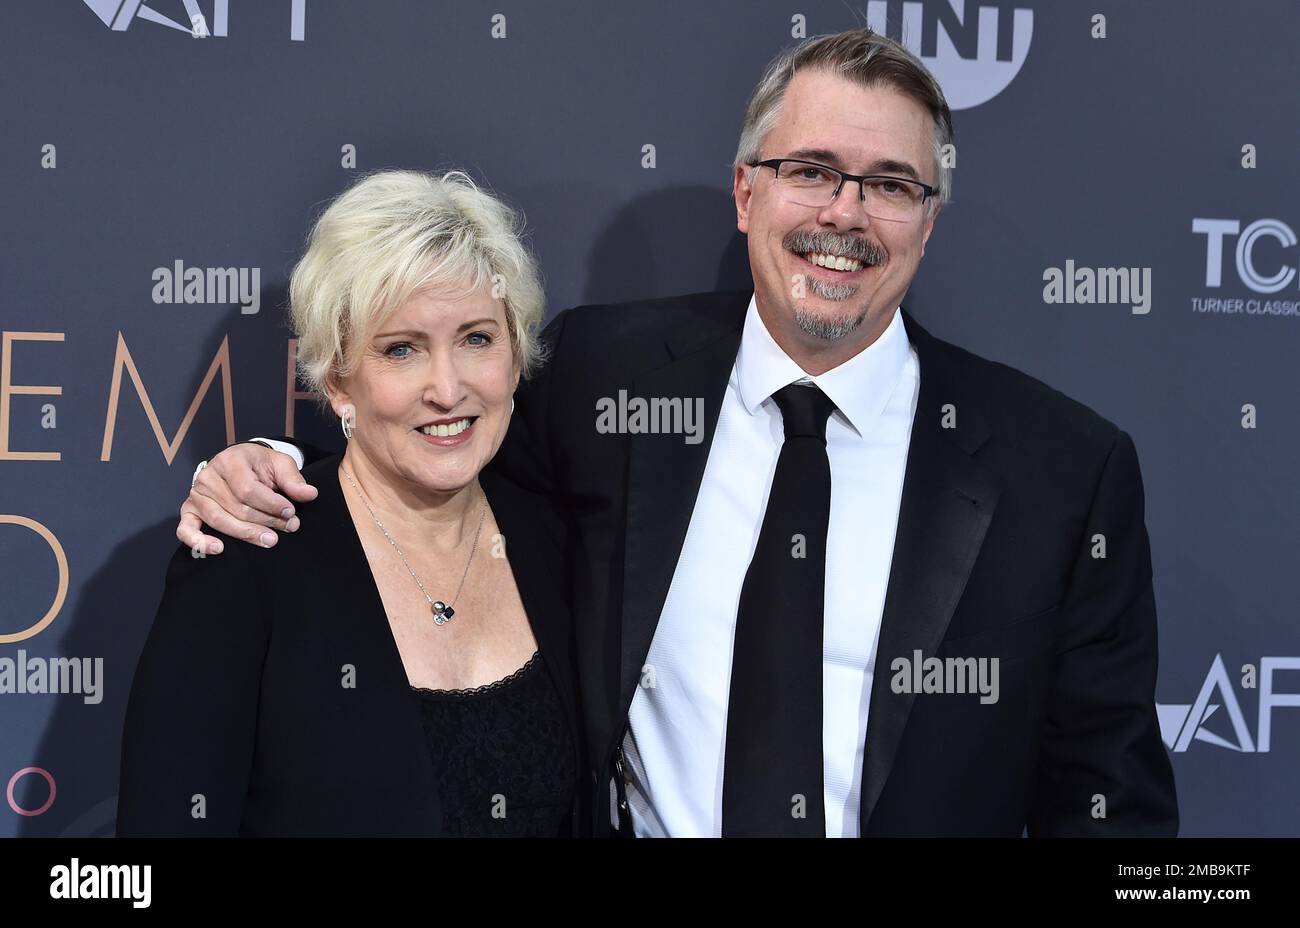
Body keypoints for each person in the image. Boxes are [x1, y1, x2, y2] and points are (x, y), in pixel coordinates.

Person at [173, 29, 1177, 837]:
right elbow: (431, 452)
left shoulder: (1061, 472)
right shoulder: (599, 380)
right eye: (811, 169)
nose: (845, 212)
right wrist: (271, 465)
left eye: (889, 184)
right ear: (747, 193)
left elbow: (1110, 804)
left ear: (928, 221)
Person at [119, 169, 585, 837]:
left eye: (477, 338)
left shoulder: (558, 543)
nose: (447, 389)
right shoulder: (250, 556)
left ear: (515, 358)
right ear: (338, 380)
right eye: (402, 350)